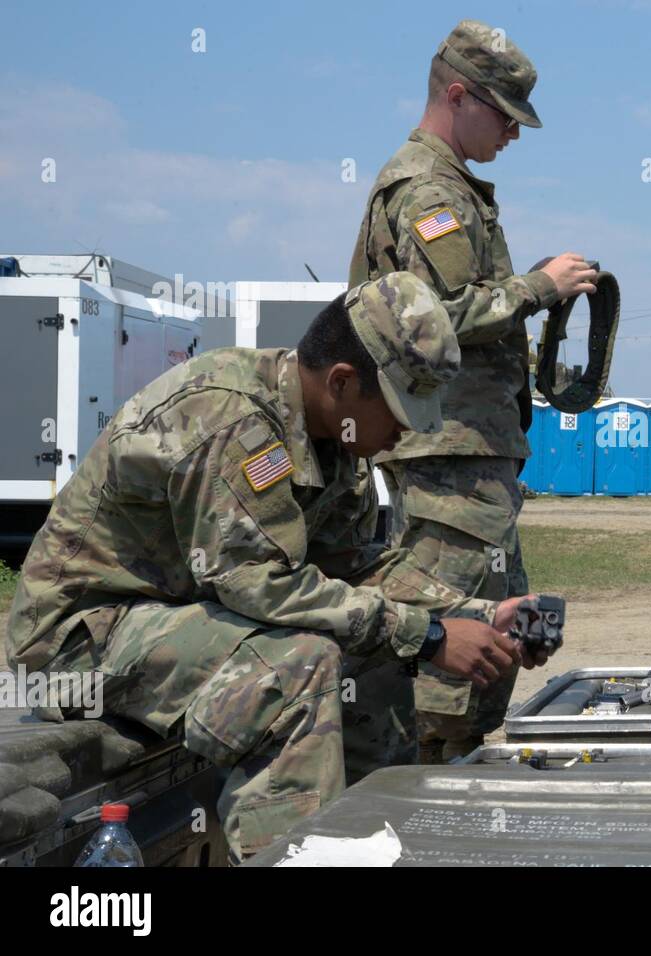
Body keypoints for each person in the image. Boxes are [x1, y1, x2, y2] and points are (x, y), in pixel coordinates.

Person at [5, 272, 540, 861]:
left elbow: (355, 567)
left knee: (382, 656)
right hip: (80, 638)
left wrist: (480, 614)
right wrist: (430, 633)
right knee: (298, 671)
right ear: (342, 382)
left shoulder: (337, 441)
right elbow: (257, 584)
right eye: (397, 411)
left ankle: (367, 845)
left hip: (179, 615)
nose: (402, 434)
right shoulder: (230, 417)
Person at [349, 19, 596, 762]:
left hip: (466, 456)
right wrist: (535, 289)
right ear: (457, 96)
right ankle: (421, 791)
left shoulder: (447, 188)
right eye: (505, 116)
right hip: (447, 456)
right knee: (453, 658)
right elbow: (437, 318)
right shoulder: (430, 190)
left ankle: (445, 776)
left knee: (491, 633)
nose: (515, 136)